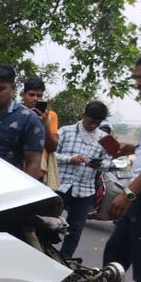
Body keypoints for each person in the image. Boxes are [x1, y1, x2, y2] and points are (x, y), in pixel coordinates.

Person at [78, 51, 141, 282]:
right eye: (136, 79)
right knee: (116, 252)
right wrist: (130, 146)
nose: (138, 85)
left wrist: (131, 192)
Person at [55, 101, 110, 260]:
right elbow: (51, 155)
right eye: (90, 121)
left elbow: (110, 163)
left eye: (97, 123)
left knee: (75, 231)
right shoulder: (65, 131)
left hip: (85, 190)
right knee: (48, 223)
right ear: (83, 116)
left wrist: (99, 164)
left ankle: (64, 261)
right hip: (60, 186)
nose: (93, 125)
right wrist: (69, 159)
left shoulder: (105, 139)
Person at [0, 64, 44, 179]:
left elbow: (33, 162)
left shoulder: (28, 119)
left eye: (0, 89)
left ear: (13, 87)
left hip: (7, 188)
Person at [20, 77, 60, 188]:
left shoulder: (50, 116)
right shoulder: (16, 113)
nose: (35, 99)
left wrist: (44, 124)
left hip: (39, 170)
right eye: (31, 95)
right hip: (18, 166)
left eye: (39, 96)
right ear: (23, 94)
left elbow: (52, 147)